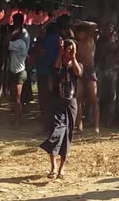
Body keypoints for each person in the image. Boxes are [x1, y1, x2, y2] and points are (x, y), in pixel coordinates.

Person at [40, 38, 82, 180]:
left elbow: (79, 73)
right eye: (68, 50)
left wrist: (74, 57)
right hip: (56, 101)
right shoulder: (57, 63)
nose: (70, 52)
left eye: (72, 50)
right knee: (55, 130)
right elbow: (56, 69)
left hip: (71, 103)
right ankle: (53, 167)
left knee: (68, 133)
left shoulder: (76, 64)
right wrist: (60, 52)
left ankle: (62, 168)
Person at [73, 21, 100, 134]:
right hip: (80, 68)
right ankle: (79, 124)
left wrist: (81, 22)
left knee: (93, 98)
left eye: (81, 33)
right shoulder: (76, 42)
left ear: (85, 33)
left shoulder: (90, 38)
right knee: (78, 98)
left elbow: (94, 25)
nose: (80, 35)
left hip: (90, 69)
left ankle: (96, 125)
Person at [36, 23, 61, 131]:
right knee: (54, 97)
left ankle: (45, 123)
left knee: (43, 98)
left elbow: (41, 54)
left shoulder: (43, 40)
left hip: (43, 70)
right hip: (55, 71)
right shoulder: (59, 40)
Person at [7, 23, 29, 129]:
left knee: (17, 98)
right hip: (15, 71)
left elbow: (6, 43)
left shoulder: (19, 43)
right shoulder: (18, 42)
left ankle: (18, 121)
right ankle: (18, 119)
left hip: (19, 72)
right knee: (15, 98)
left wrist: (12, 33)